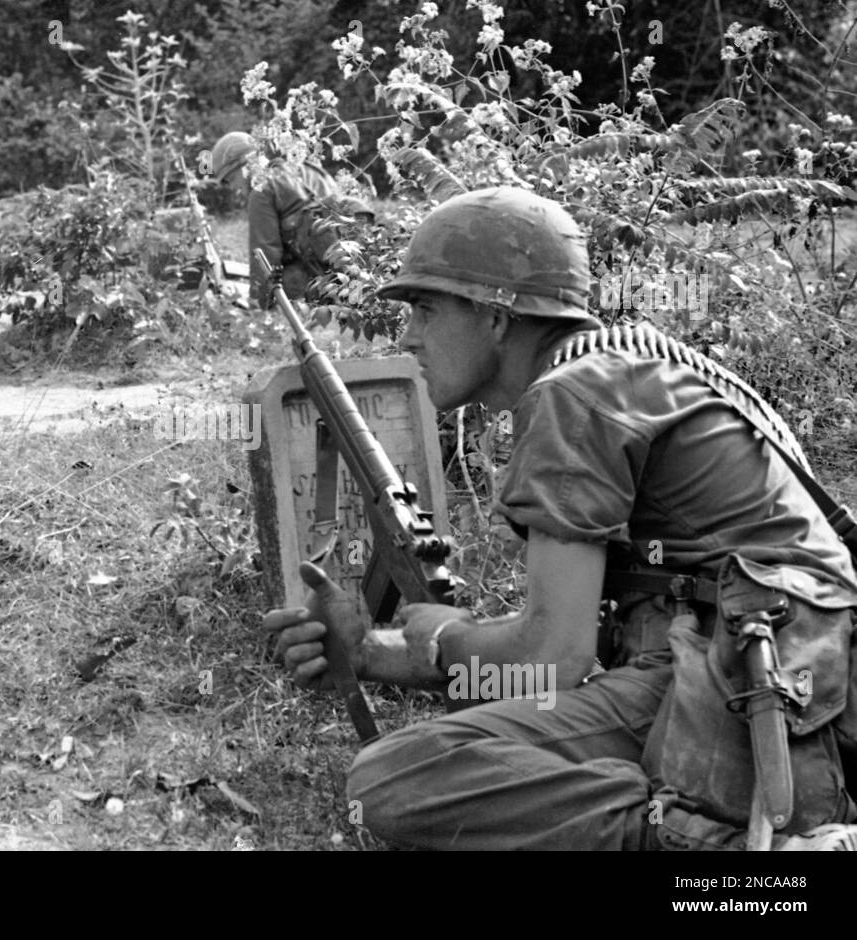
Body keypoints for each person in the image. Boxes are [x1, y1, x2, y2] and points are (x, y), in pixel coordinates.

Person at [262, 186, 857, 850]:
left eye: (427, 309)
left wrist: (446, 641)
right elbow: (568, 650)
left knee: (394, 777)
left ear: (496, 316)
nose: (409, 336)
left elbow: (551, 659)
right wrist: (373, 650)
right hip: (777, 669)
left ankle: (714, 850)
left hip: (756, 677)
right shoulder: (627, 367)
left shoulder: (569, 395)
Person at [210, 131, 373, 310]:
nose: (233, 187)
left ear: (244, 165)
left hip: (321, 270)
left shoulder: (260, 191)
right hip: (354, 256)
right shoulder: (301, 168)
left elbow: (264, 253)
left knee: (287, 283)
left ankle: (345, 301)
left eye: (230, 178)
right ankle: (359, 297)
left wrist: (259, 301)